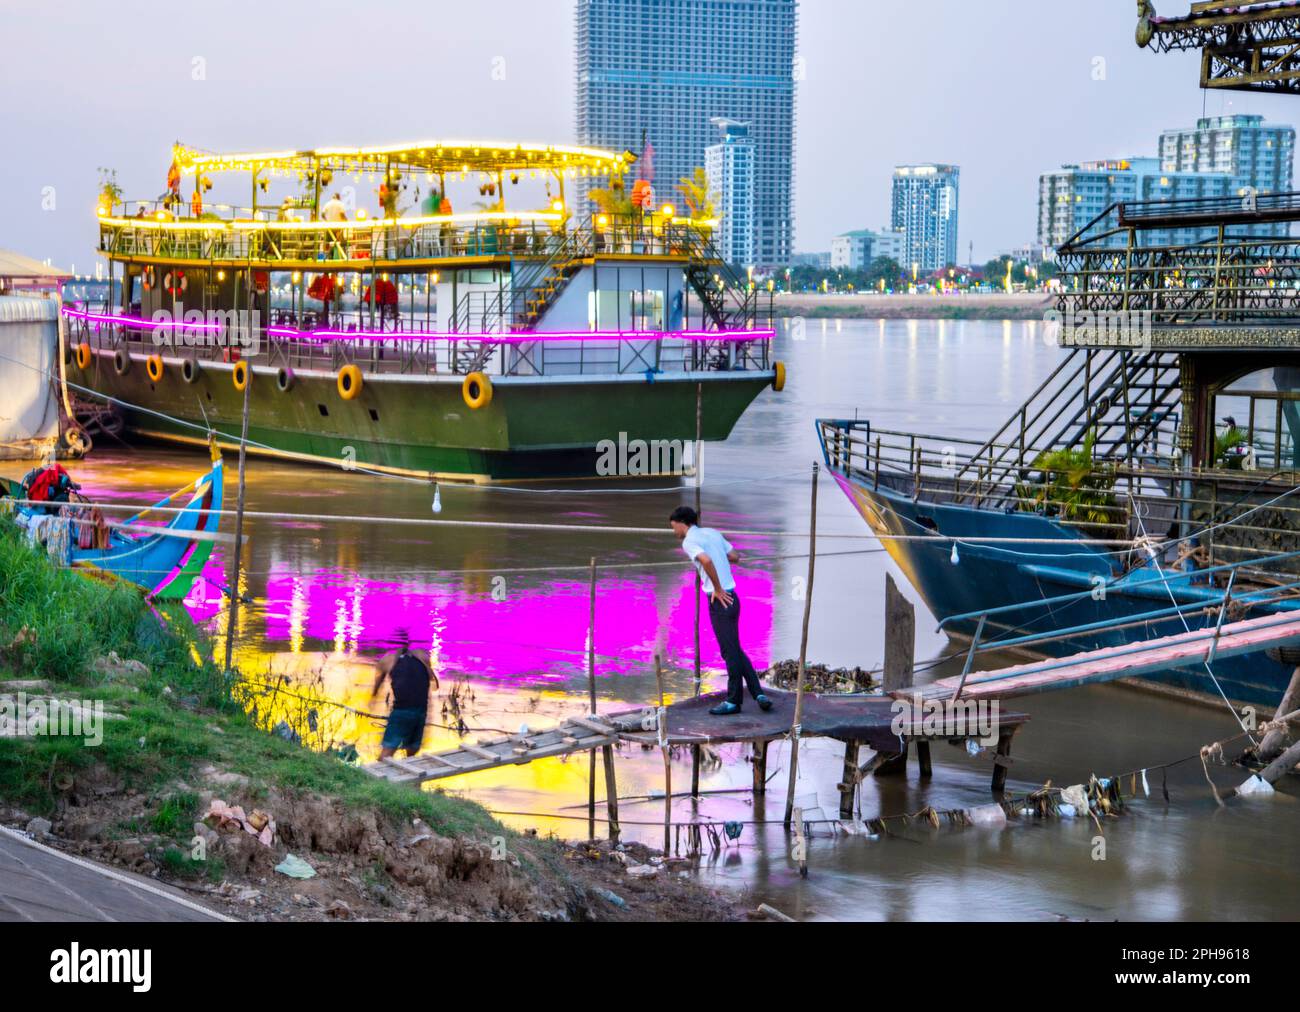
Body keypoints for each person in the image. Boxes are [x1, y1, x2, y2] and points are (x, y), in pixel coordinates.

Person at [670, 506, 772, 716]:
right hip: (733, 598)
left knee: (729, 651)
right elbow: (735, 556)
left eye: (674, 527)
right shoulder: (713, 533)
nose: (674, 532)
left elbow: (705, 560)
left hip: (720, 599)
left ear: (682, 523)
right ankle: (758, 693)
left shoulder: (689, 541)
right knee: (734, 648)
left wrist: (716, 587)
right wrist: (720, 560)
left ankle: (733, 701)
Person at [370, 629, 438, 758]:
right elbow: (432, 683)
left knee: (388, 750)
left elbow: (376, 688)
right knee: (412, 751)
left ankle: (378, 775)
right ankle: (407, 774)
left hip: (401, 711)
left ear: (389, 644)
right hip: (421, 710)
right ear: (408, 643)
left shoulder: (386, 660)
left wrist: (371, 702)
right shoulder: (422, 656)